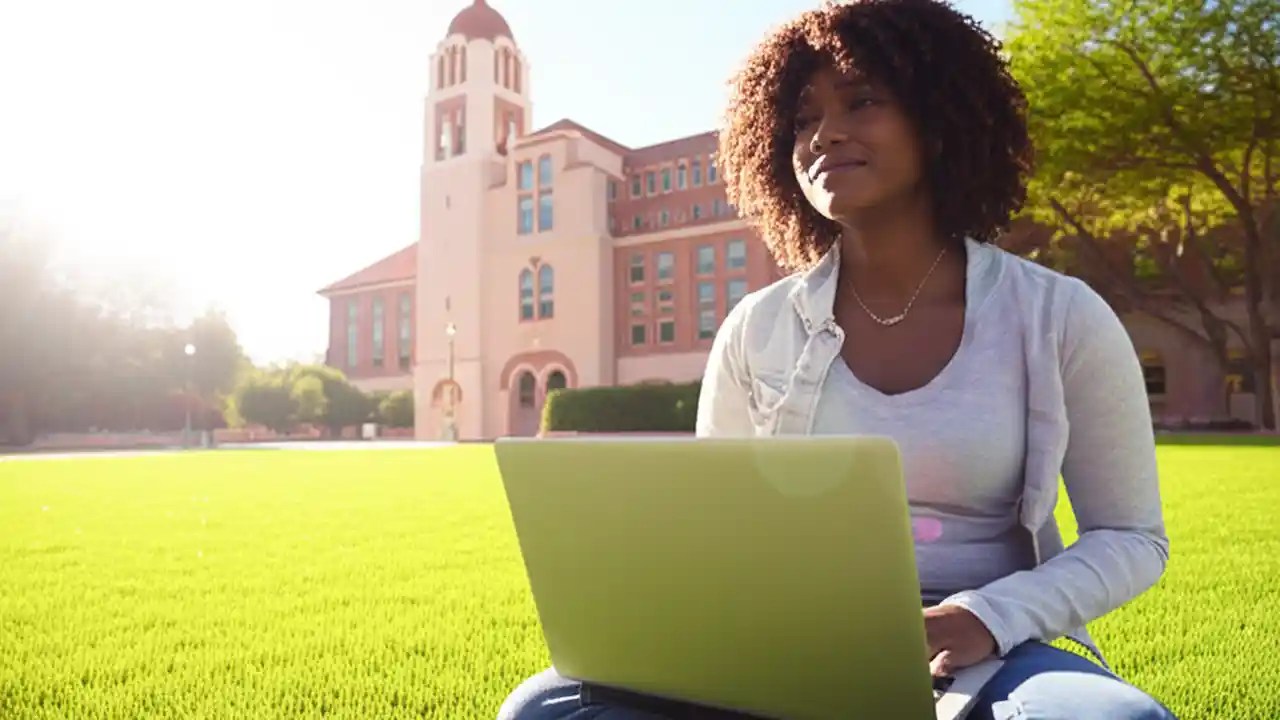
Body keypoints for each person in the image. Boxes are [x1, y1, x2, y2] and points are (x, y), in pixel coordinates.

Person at [499, 1, 1176, 718]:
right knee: (547, 709)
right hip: (788, 634)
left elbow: (1130, 537)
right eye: (801, 118)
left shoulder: (1058, 316)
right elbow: (719, 532)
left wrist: (985, 617)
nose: (826, 132)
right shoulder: (756, 328)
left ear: (939, 118)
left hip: (991, 647)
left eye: (863, 100)